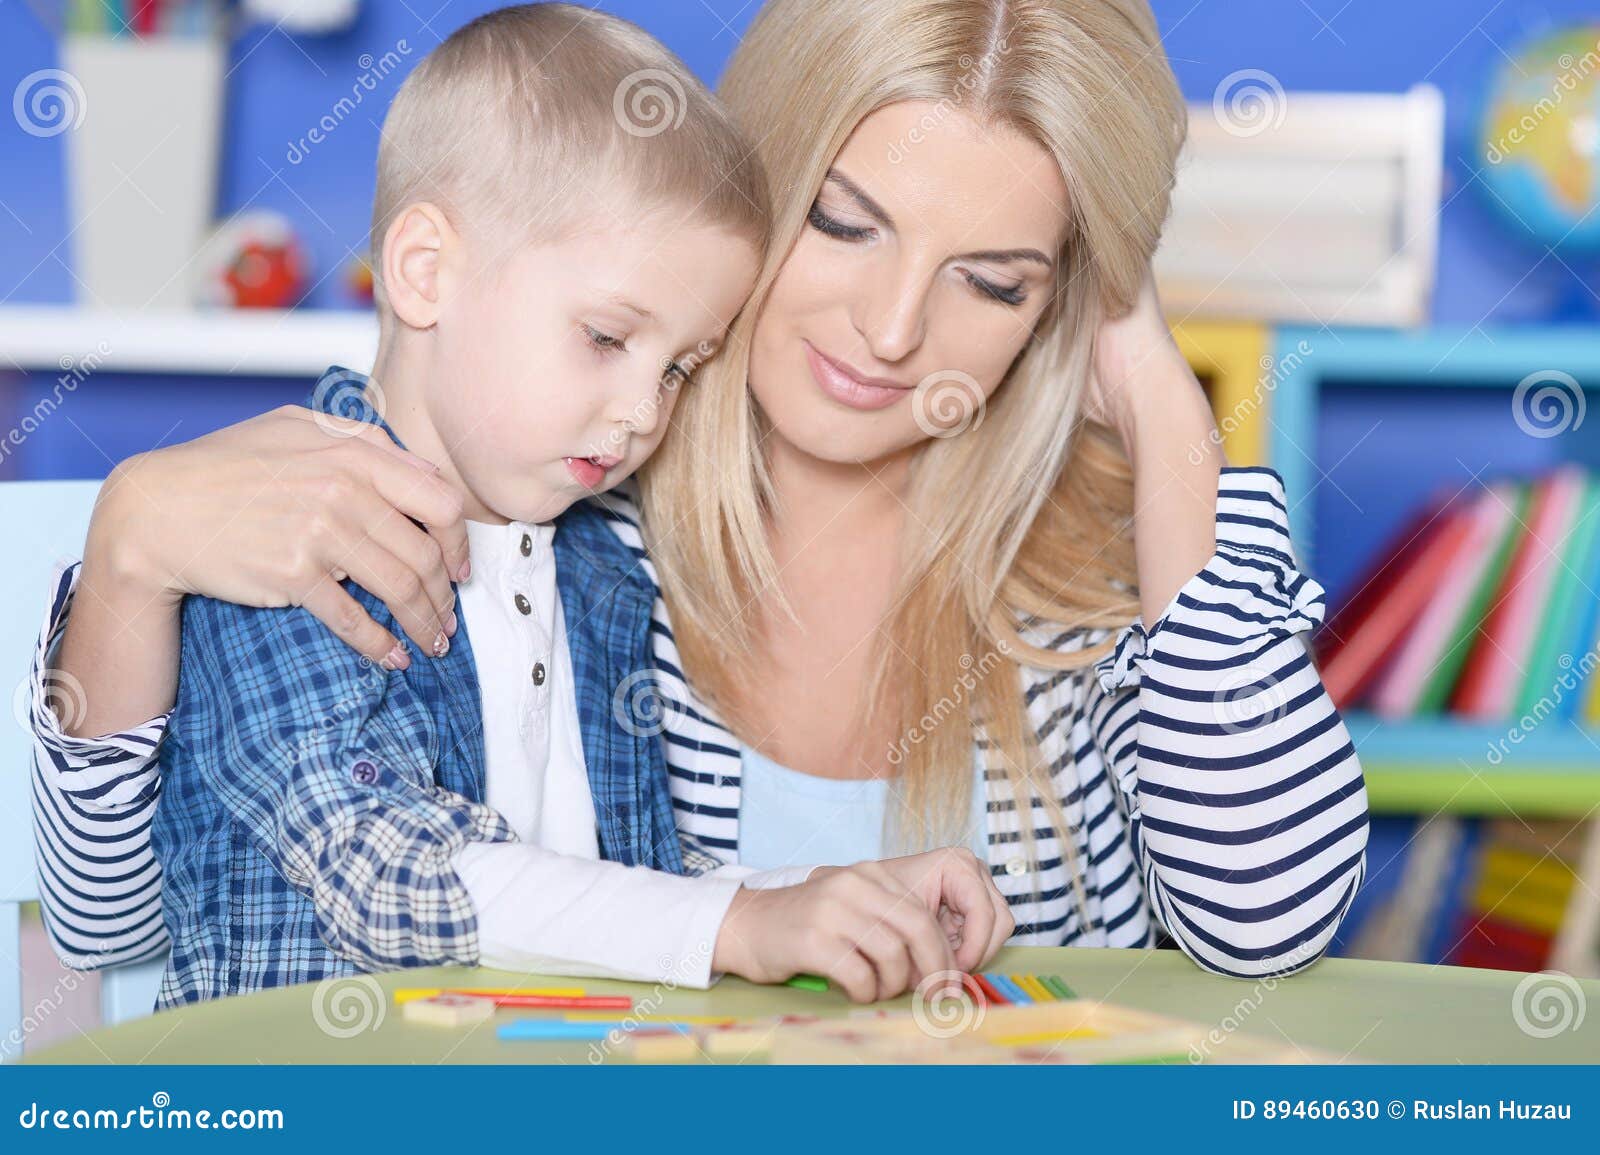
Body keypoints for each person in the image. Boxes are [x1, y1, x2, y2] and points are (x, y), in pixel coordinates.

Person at [32, 0, 1367, 990]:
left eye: (995, 280)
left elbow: (1271, 924)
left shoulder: (1122, 586)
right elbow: (146, 920)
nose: (894, 330)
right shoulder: (583, 533)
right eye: (844, 222)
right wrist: (131, 558)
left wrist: (1171, 417)